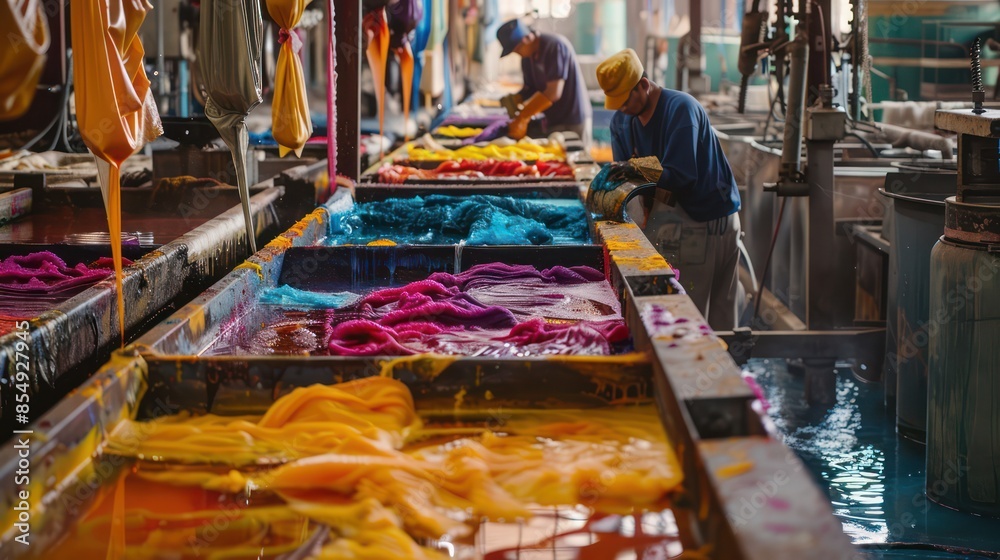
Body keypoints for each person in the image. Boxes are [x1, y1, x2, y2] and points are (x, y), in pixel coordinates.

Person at [596, 48, 742, 330]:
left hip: (707, 219)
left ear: (643, 85)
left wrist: (636, 168)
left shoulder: (681, 109)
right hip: (673, 220)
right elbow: (628, 181)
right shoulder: (621, 122)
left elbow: (682, 176)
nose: (622, 109)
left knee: (702, 318)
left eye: (626, 100)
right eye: (617, 104)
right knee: (687, 314)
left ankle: (719, 371)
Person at [495, 19, 591, 145]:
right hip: (552, 120)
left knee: (574, 160)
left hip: (572, 119)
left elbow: (553, 92)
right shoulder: (527, 58)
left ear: (528, 38)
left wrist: (523, 117)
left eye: (517, 49)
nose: (517, 54)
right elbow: (530, 89)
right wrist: (517, 98)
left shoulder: (554, 46)